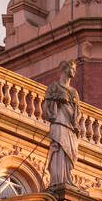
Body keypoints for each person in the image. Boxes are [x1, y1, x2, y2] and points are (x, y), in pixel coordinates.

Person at [41, 59, 81, 187]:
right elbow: (46, 106)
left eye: (75, 69)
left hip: (70, 126)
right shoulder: (54, 87)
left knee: (70, 153)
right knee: (58, 148)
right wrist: (57, 100)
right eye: (72, 68)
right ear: (64, 69)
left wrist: (76, 122)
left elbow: (77, 111)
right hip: (59, 122)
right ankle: (58, 178)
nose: (74, 71)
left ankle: (67, 178)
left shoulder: (74, 92)